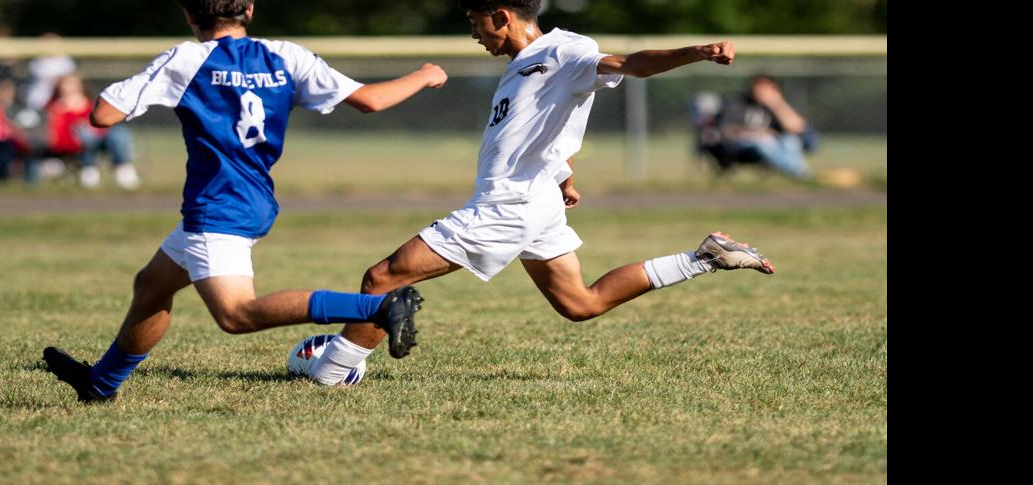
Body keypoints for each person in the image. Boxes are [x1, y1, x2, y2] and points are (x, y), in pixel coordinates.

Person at [299, 0, 775, 386]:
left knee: (382, 278)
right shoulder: (521, 66)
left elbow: (629, 64)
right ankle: (707, 257)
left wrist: (696, 52)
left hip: (510, 203)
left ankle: (334, 373)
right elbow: (541, 131)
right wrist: (564, 174)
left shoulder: (563, 51)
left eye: (475, 23)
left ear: (502, 16)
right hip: (536, 197)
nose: (474, 35)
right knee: (580, 304)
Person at [41, 0, 448, 404]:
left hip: (216, 203)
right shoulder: (286, 56)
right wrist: (424, 74)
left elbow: (103, 116)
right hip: (253, 197)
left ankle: (378, 306)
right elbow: (371, 100)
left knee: (236, 315)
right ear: (249, 10)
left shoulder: (187, 59)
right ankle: (102, 383)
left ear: (188, 15)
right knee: (151, 286)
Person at [700, 75, 817, 181]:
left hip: (772, 144)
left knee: (790, 140)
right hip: (741, 145)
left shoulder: (774, 107)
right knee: (764, 142)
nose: (761, 91)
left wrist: (777, 103)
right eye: (758, 87)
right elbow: (726, 129)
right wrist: (757, 134)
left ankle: (799, 172)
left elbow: (797, 128)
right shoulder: (737, 103)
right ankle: (799, 174)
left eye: (767, 88)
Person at [45, 74, 142, 190]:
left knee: (118, 133)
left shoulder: (90, 105)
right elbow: (55, 134)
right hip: (75, 144)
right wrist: (61, 112)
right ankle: (88, 168)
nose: (69, 90)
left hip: (100, 139)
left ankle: (122, 167)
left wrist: (84, 115)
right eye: (65, 86)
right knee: (83, 132)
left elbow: (102, 125)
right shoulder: (54, 108)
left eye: (73, 86)